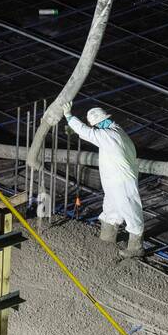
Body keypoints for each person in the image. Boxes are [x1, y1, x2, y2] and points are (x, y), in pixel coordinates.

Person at [62, 104, 145, 257]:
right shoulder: (113, 131)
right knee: (111, 208)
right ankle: (107, 237)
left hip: (122, 181)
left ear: (97, 124)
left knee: (130, 209)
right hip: (114, 180)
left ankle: (136, 247)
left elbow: (85, 132)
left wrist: (69, 116)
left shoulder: (109, 135)